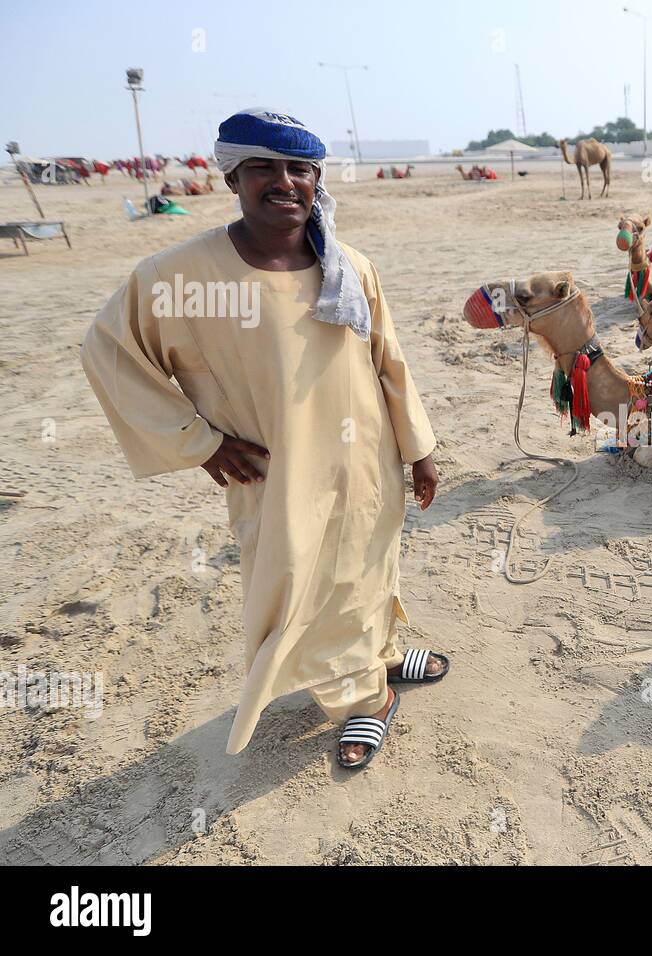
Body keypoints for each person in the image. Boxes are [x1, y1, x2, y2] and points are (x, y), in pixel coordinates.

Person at [82, 109, 449, 769]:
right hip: (276, 474)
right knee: (296, 579)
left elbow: (389, 362)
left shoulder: (349, 266)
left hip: (368, 462)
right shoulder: (180, 277)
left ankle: (381, 658)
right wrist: (198, 441)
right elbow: (110, 353)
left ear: (316, 180)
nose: (285, 181)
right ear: (234, 177)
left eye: (300, 169)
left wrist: (417, 449)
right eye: (264, 168)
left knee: (369, 564)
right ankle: (367, 702)